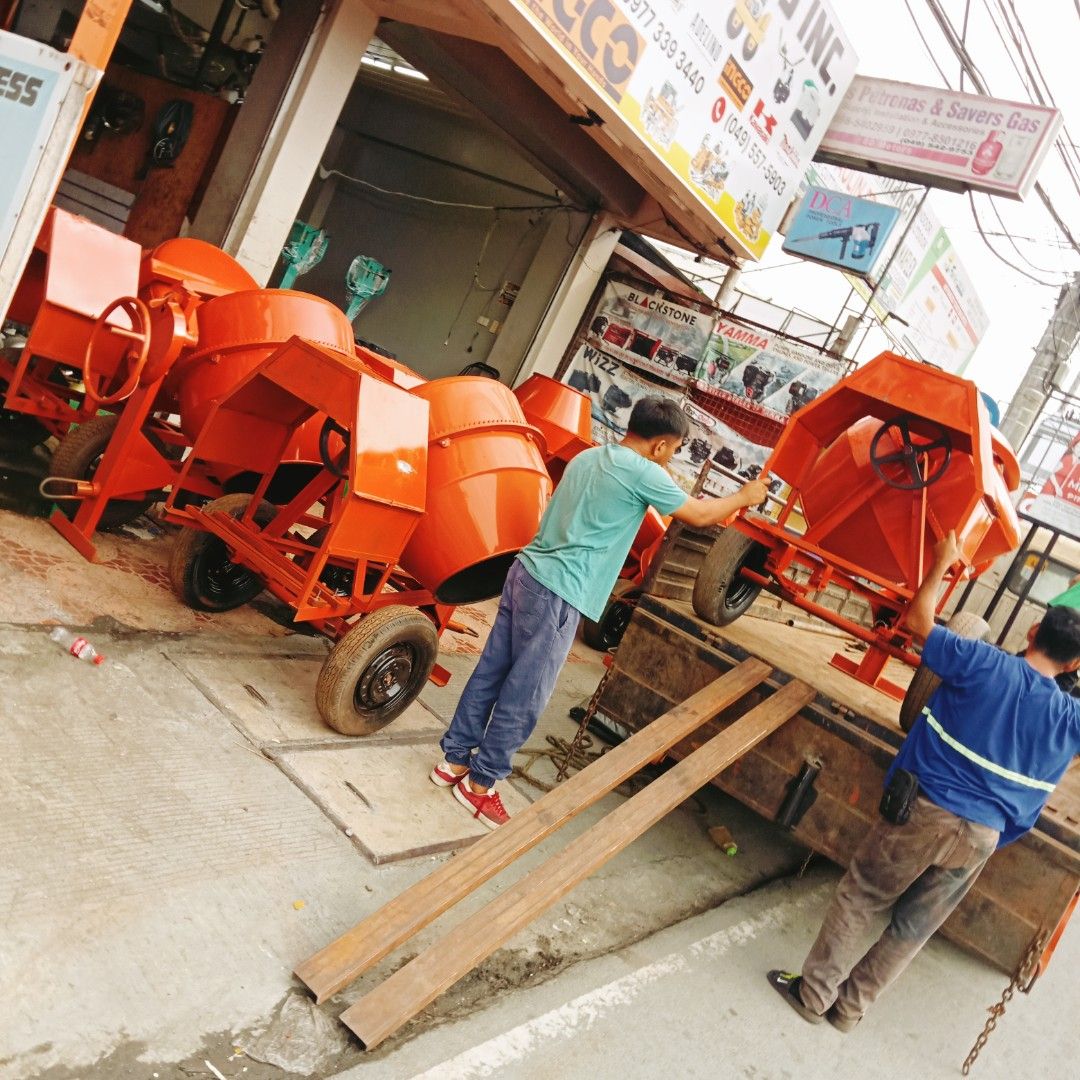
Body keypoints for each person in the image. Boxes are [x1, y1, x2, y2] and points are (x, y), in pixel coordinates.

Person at [767, 530, 1080, 1032]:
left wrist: (940, 563)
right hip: (983, 837)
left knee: (864, 894)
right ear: (1075, 665)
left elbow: (918, 622)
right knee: (913, 928)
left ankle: (814, 994)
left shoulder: (983, 663)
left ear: (1031, 631)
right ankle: (848, 1011)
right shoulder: (1071, 718)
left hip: (926, 811)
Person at [431, 396, 769, 829]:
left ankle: (453, 761)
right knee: (526, 693)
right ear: (662, 446)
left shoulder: (589, 457)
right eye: (674, 451)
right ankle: (481, 786)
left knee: (491, 672)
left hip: (525, 573)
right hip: (559, 591)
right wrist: (745, 495)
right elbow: (700, 515)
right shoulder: (643, 471)